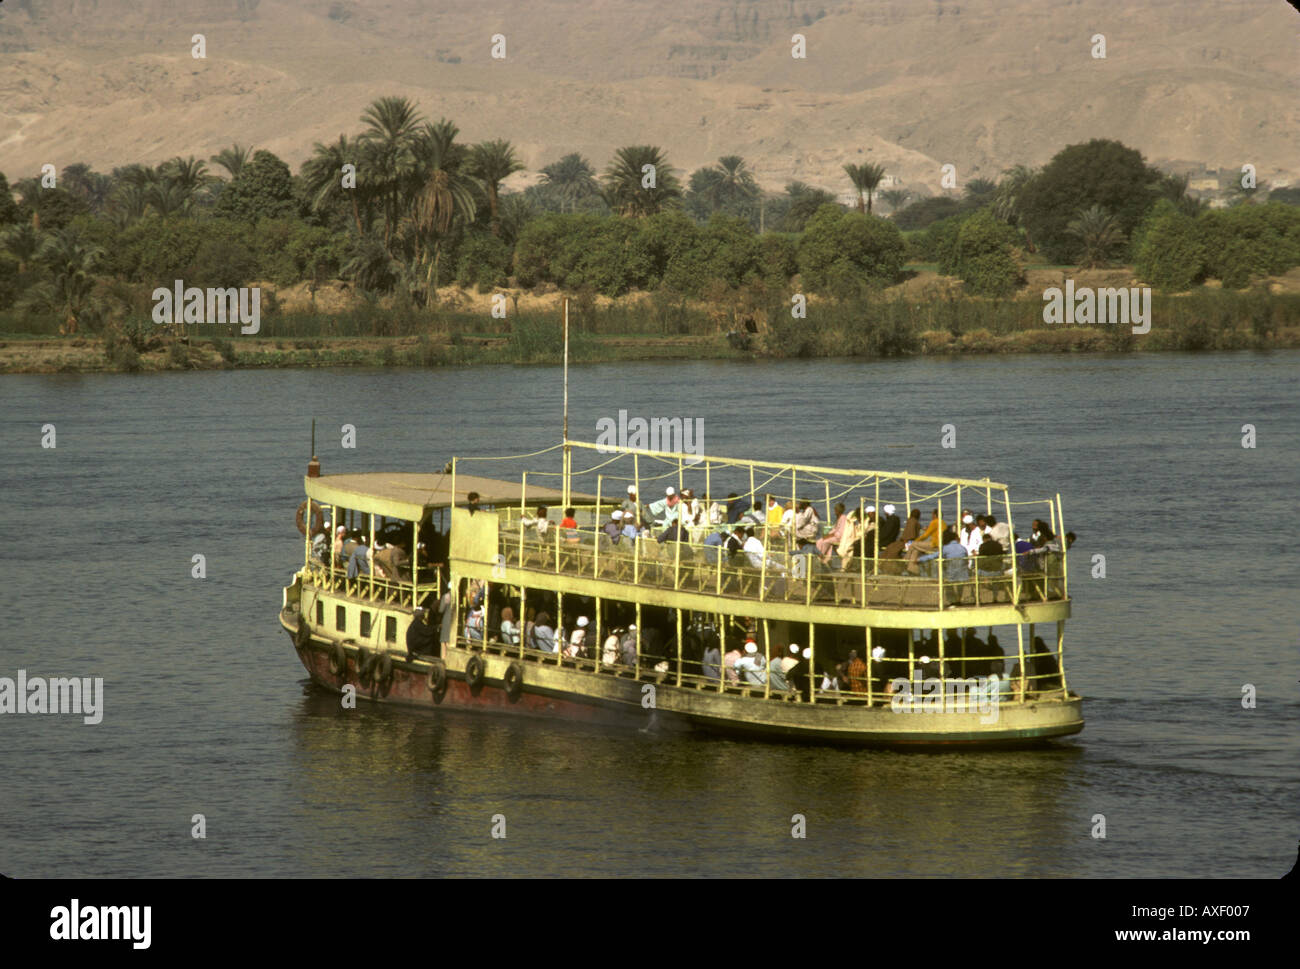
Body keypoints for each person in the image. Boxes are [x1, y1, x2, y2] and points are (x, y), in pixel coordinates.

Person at [905, 508, 946, 574]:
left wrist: (915, 541)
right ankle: (913, 570)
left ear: (935, 515)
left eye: (932, 514)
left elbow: (925, 535)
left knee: (913, 544)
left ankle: (905, 560)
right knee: (915, 550)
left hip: (935, 545)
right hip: (941, 545)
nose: (931, 516)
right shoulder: (943, 522)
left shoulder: (935, 522)